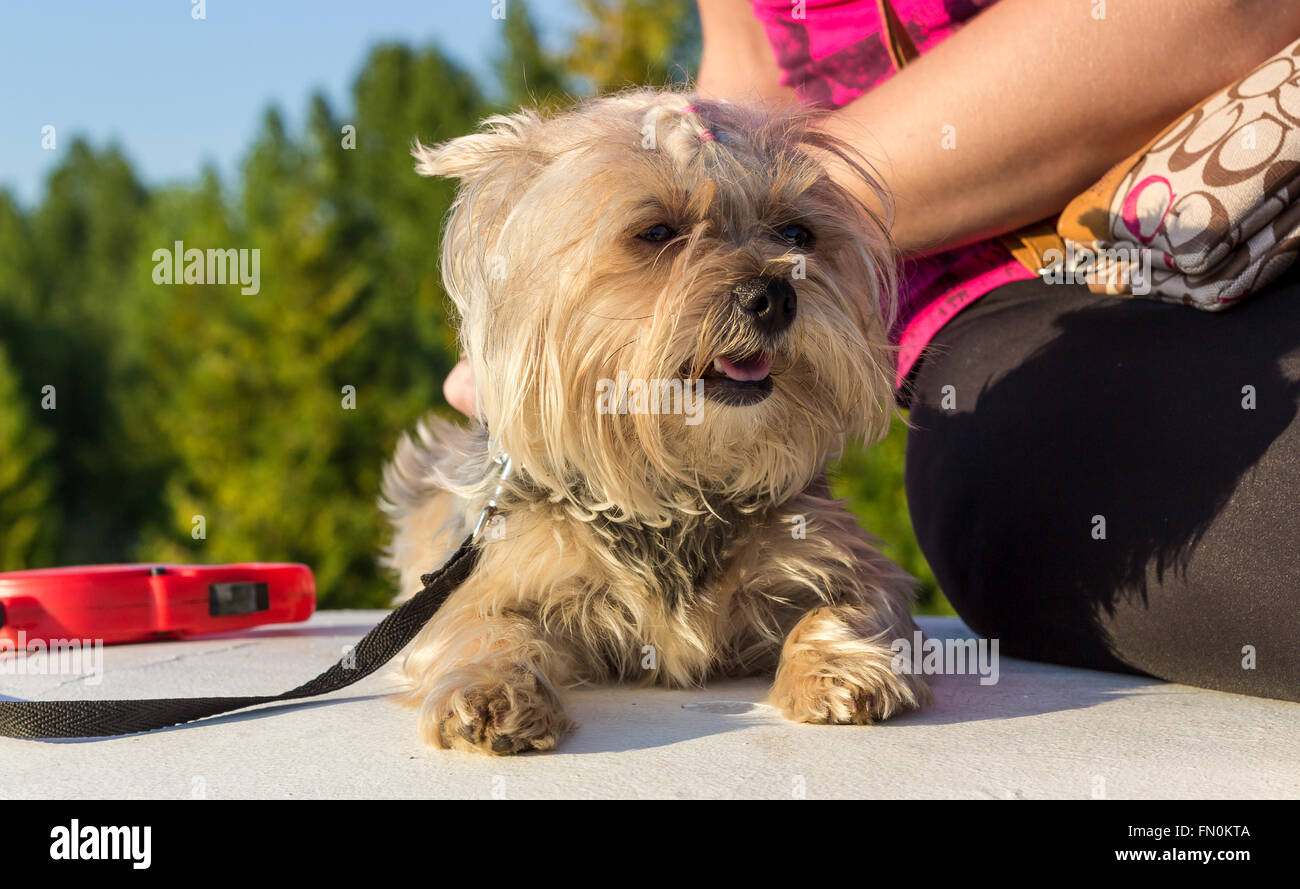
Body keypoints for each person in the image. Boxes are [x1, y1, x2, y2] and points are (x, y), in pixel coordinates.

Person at [442, 0, 1300, 702]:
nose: (765, 283)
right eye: (659, 235)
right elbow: (742, 94)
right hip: (1020, 320)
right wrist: (539, 331)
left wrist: (820, 194)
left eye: (791, 235)